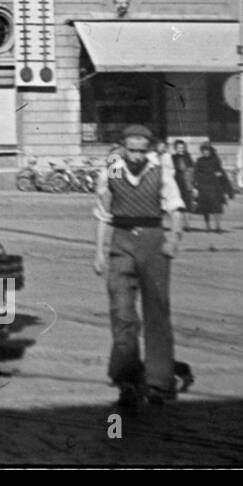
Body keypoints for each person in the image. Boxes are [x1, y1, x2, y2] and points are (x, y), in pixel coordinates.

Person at [93, 123, 185, 408]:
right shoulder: (113, 169)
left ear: (149, 150)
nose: (135, 157)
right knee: (122, 312)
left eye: (141, 151)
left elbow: (176, 207)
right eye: (130, 150)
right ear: (122, 148)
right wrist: (98, 251)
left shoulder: (161, 169)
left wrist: (173, 239)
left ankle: (159, 381)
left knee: (157, 310)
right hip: (121, 241)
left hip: (153, 241)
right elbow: (102, 213)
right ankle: (127, 378)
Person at [192, 143, 232, 234]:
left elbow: (220, 171)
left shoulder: (215, 160)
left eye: (207, 151)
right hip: (204, 186)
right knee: (205, 208)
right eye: (204, 151)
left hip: (215, 187)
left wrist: (219, 175)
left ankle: (218, 226)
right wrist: (196, 186)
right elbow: (196, 173)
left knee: (217, 207)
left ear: (210, 151)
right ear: (202, 152)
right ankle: (208, 226)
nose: (206, 152)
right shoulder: (199, 161)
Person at [170, 140, 196, 227]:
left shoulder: (188, 157)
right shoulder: (173, 158)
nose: (181, 149)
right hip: (176, 183)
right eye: (179, 147)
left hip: (186, 183)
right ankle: (178, 224)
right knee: (177, 205)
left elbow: (192, 171)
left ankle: (187, 224)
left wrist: (193, 184)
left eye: (182, 147)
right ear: (175, 148)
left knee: (187, 204)